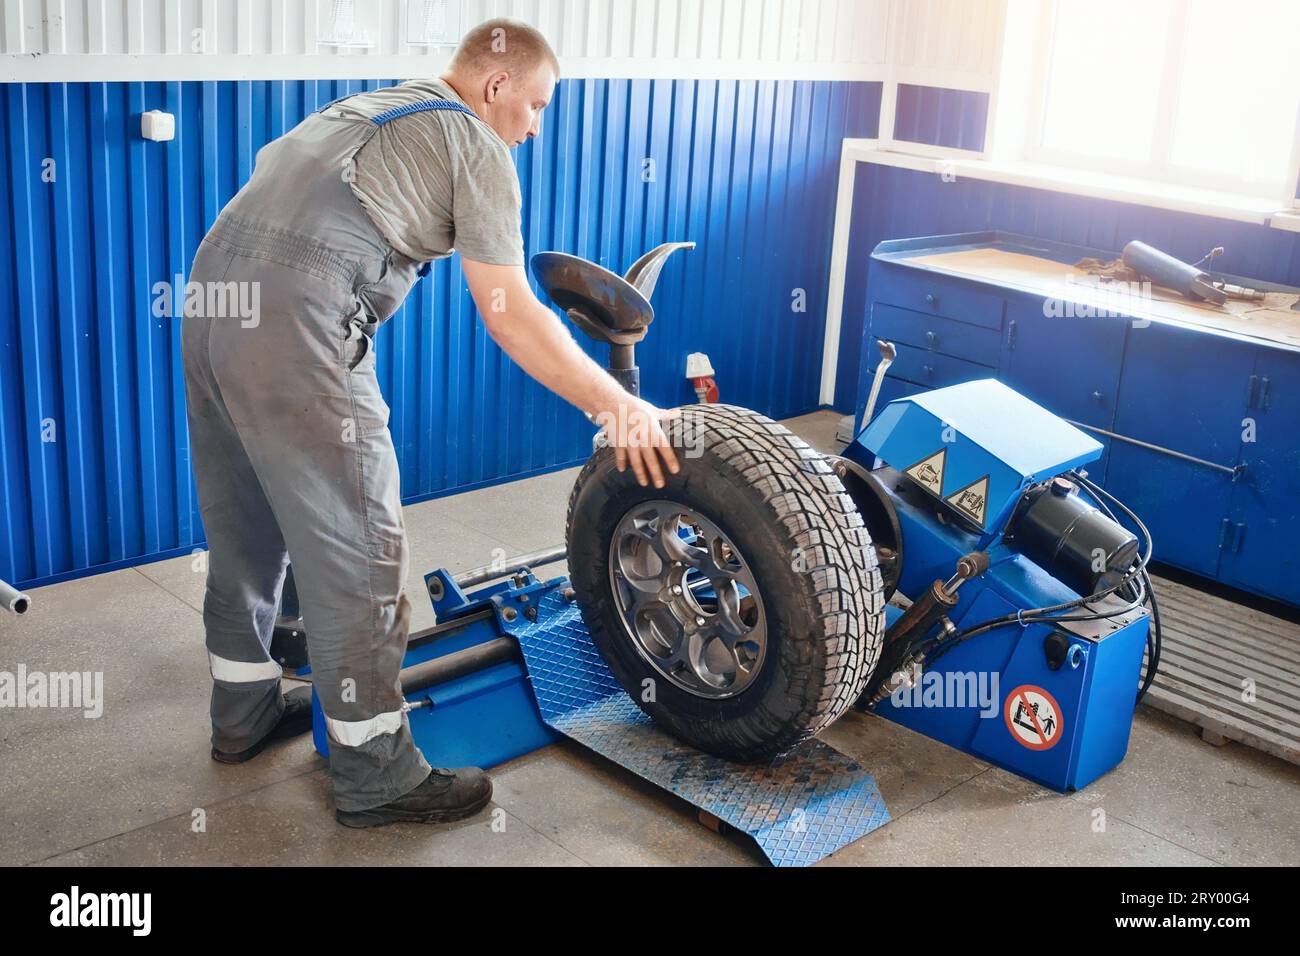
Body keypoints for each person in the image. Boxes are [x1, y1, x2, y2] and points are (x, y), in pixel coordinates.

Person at [180, 17, 679, 828]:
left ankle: (240, 717)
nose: (536, 127)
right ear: (494, 86)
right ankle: (376, 772)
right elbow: (510, 310)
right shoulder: (475, 144)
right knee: (359, 545)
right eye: (538, 105)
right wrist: (614, 402)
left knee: (246, 524)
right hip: (295, 319)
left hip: (210, 299)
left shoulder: (369, 108)